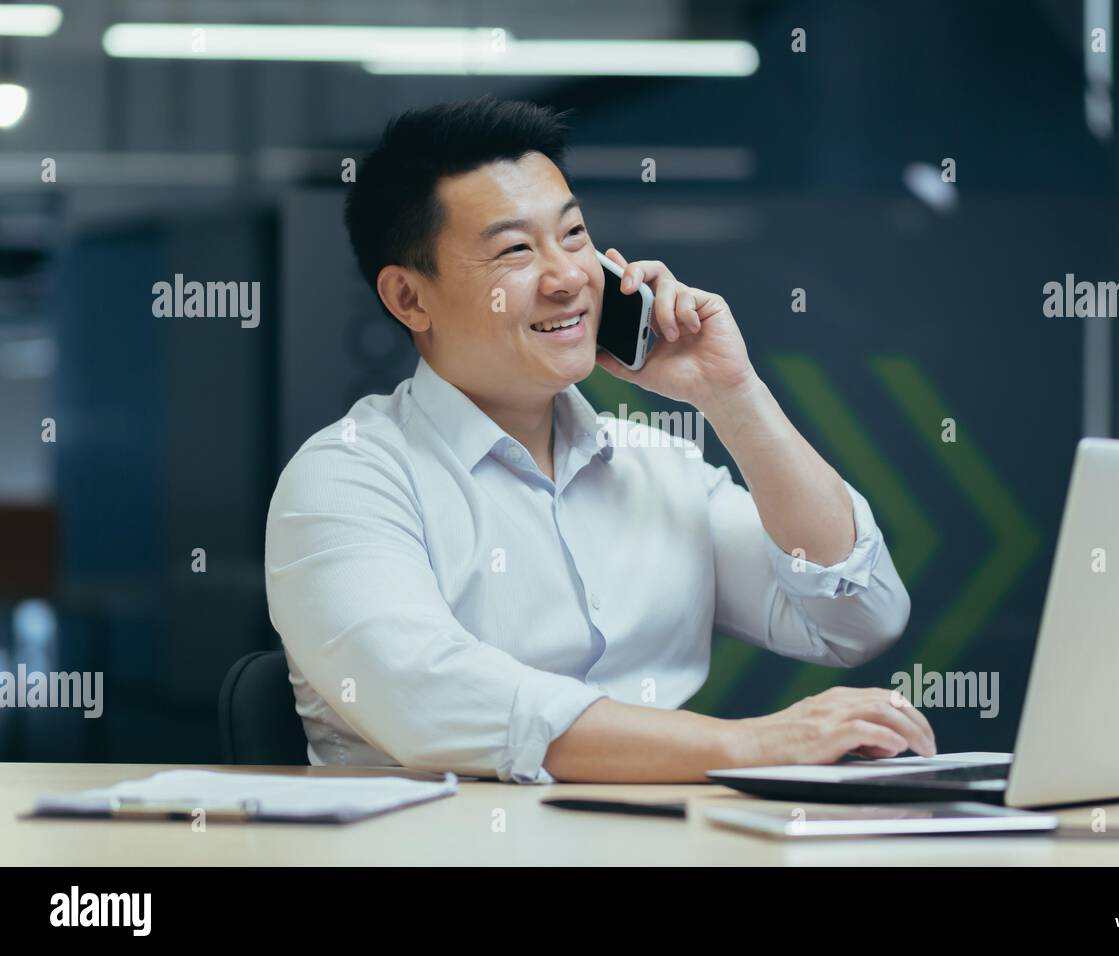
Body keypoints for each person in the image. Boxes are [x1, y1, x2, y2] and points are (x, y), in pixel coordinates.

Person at [264, 95, 933, 783]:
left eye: (575, 235)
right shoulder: (348, 478)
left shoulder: (659, 465)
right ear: (409, 299)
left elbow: (858, 619)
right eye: (516, 250)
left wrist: (729, 395)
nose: (567, 279)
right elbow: (429, 695)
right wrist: (749, 747)